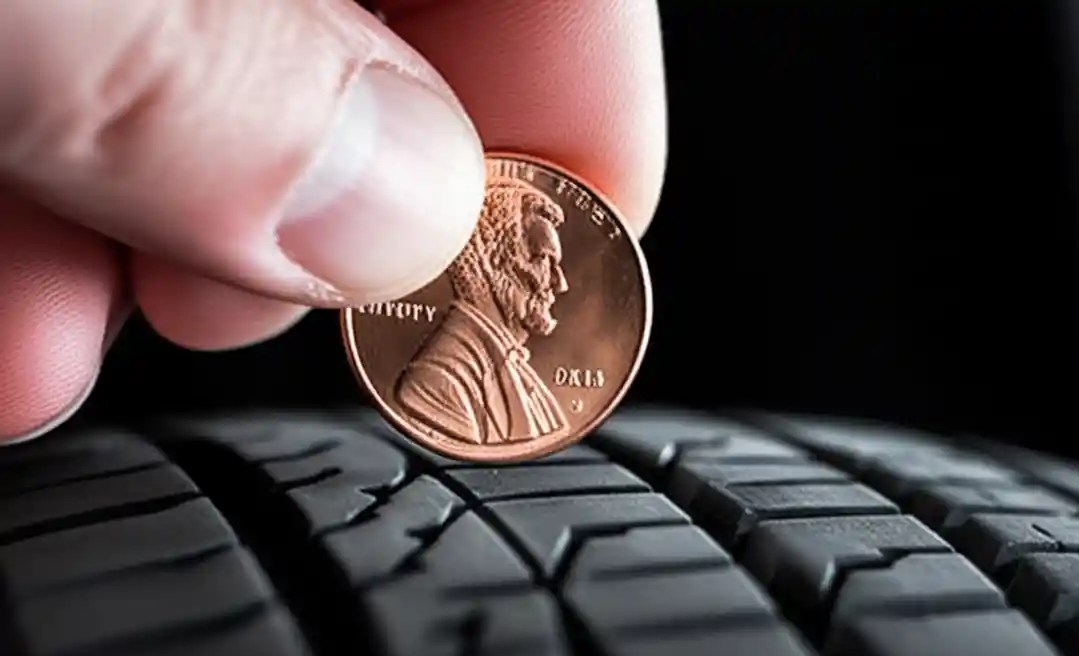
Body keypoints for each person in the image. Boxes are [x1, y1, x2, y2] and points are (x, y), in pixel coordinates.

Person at [0, 0, 666, 445]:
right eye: (541, 256)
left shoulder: (515, 380)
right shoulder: (443, 382)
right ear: (492, 262)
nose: (558, 277)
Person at [394, 176, 571, 445]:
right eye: (543, 260)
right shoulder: (437, 381)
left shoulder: (514, 367)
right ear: (495, 261)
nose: (561, 284)